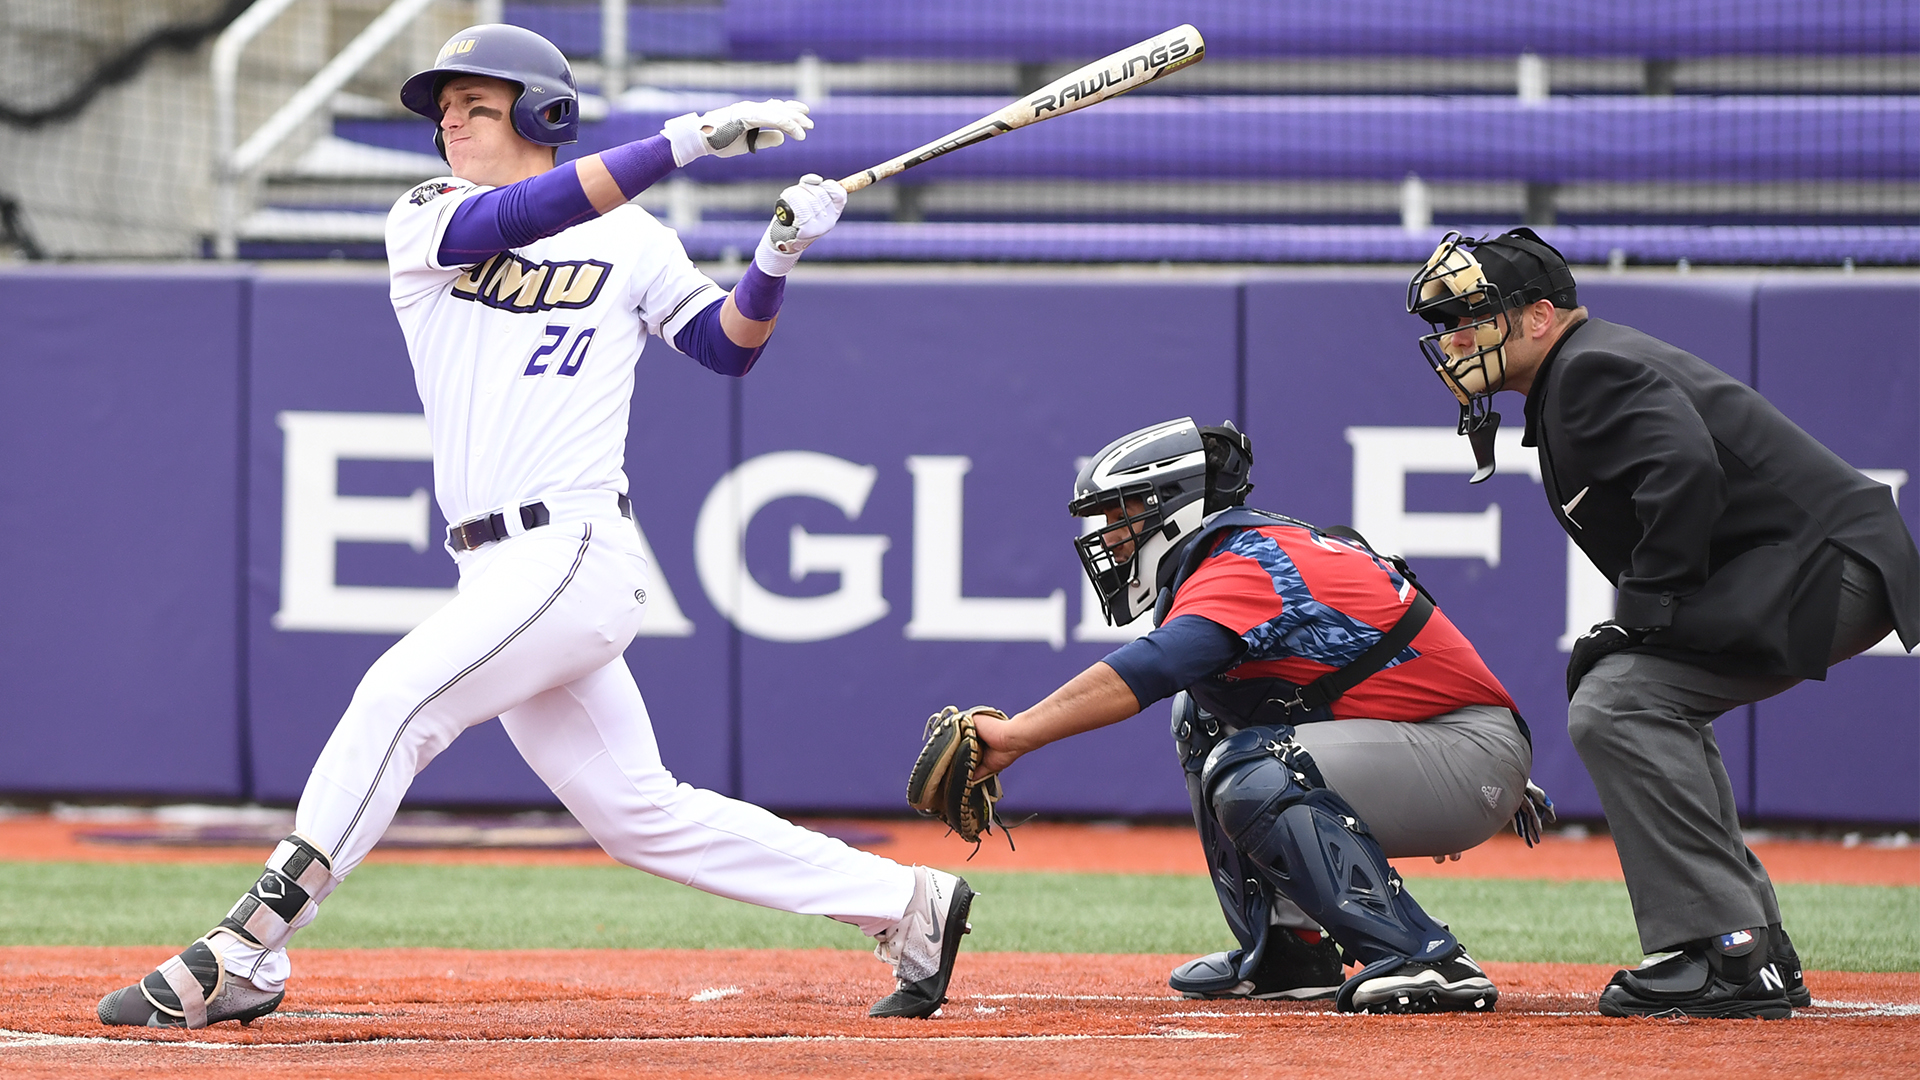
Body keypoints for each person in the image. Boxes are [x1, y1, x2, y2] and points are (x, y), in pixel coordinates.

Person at [98, 24, 971, 1029]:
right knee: (639, 815)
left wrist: (776, 256)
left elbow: (725, 348)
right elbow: (522, 214)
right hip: (496, 569)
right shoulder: (430, 216)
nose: (450, 123)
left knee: (397, 700)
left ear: (539, 111)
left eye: (474, 102)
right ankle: (906, 904)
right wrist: (680, 142)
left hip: (572, 552)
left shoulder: (635, 240)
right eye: (444, 109)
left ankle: (249, 947)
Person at [1406, 228, 1919, 1019]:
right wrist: (1644, 629)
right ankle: (1753, 946)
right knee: (1637, 694)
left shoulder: (1588, 369)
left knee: (1622, 702)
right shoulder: (1579, 371)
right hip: (1818, 560)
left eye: (1474, 315)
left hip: (1824, 567)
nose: (1456, 338)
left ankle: (1726, 950)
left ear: (1540, 316)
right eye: (1449, 323)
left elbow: (1681, 470)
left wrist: (1644, 616)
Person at [970, 417, 1551, 1013]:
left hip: (1460, 748)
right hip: (1435, 742)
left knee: (1254, 769)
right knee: (1200, 714)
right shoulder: (1246, 550)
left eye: (1123, 515)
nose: (1113, 536)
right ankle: (1289, 949)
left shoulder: (1241, 563)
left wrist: (1014, 736)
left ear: (1176, 506)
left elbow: (1146, 670)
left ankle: (1427, 956)